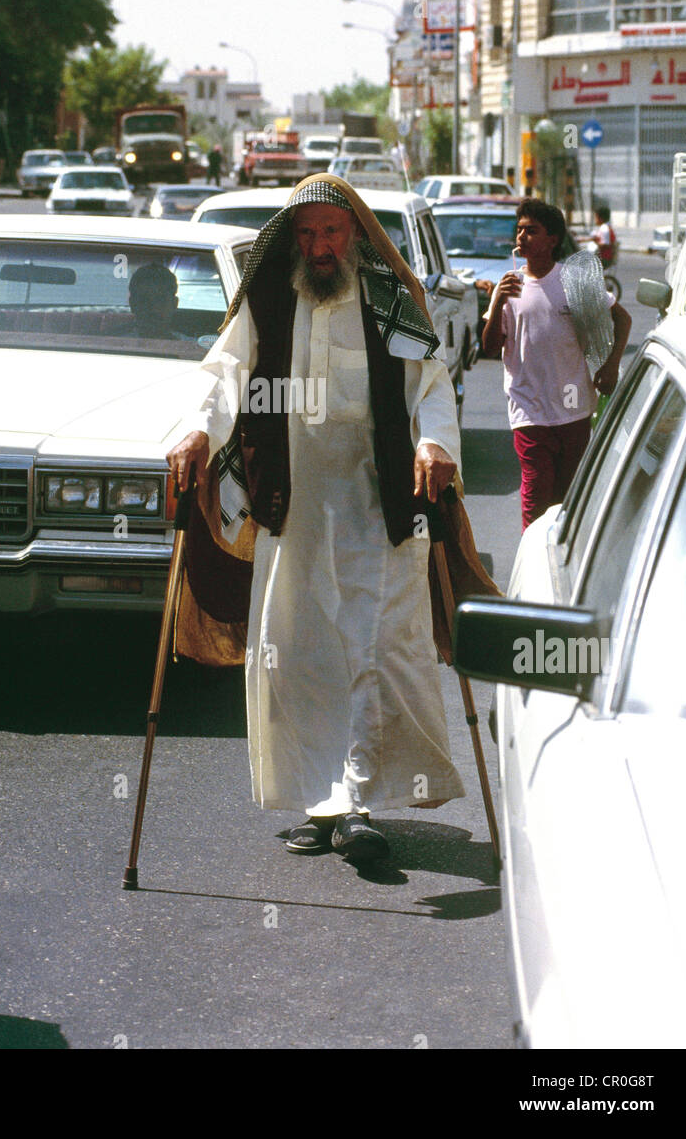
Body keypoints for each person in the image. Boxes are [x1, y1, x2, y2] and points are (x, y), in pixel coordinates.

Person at [166, 173, 470, 867]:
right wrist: (194, 433)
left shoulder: (391, 296)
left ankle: (355, 802)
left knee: (370, 646)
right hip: (293, 504)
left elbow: (429, 382)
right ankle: (321, 801)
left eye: (330, 231)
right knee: (299, 653)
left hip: (378, 499)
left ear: (355, 233)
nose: (318, 245)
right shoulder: (271, 295)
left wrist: (434, 443)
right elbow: (223, 373)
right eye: (306, 234)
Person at [482, 198, 631, 531]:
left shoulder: (574, 281)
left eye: (531, 231)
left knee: (567, 507)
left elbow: (622, 319)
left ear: (553, 239)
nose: (521, 237)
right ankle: (529, 580)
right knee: (535, 506)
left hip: (572, 406)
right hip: (529, 411)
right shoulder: (509, 285)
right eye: (519, 230)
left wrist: (610, 366)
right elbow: (490, 347)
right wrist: (498, 301)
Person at [127, 263, 188, 339]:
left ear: (174, 304)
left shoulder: (193, 348)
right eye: (144, 301)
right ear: (132, 304)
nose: (153, 308)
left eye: (160, 300)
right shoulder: (114, 346)